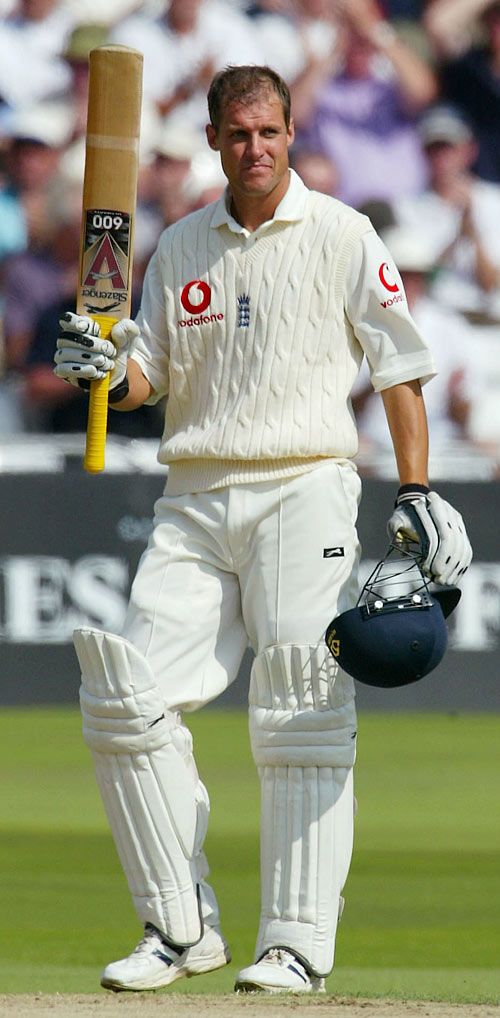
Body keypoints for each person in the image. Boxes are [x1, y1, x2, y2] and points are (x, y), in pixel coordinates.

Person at [53, 65, 472, 995]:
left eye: (269, 132)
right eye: (237, 134)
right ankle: (178, 924)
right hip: (195, 493)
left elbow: (400, 368)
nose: (255, 148)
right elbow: (148, 378)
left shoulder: (343, 234)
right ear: (212, 140)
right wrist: (101, 373)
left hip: (304, 484)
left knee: (301, 711)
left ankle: (296, 942)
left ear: (290, 132)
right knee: (126, 699)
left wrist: (415, 490)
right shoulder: (180, 247)